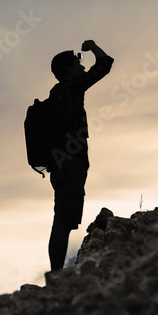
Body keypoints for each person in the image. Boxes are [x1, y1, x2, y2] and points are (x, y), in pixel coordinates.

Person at [46, 39, 113, 270]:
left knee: (62, 219)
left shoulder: (56, 93)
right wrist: (93, 46)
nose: (82, 66)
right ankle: (56, 274)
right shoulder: (70, 88)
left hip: (60, 165)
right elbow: (104, 65)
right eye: (77, 63)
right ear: (68, 70)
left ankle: (56, 273)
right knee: (63, 220)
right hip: (70, 164)